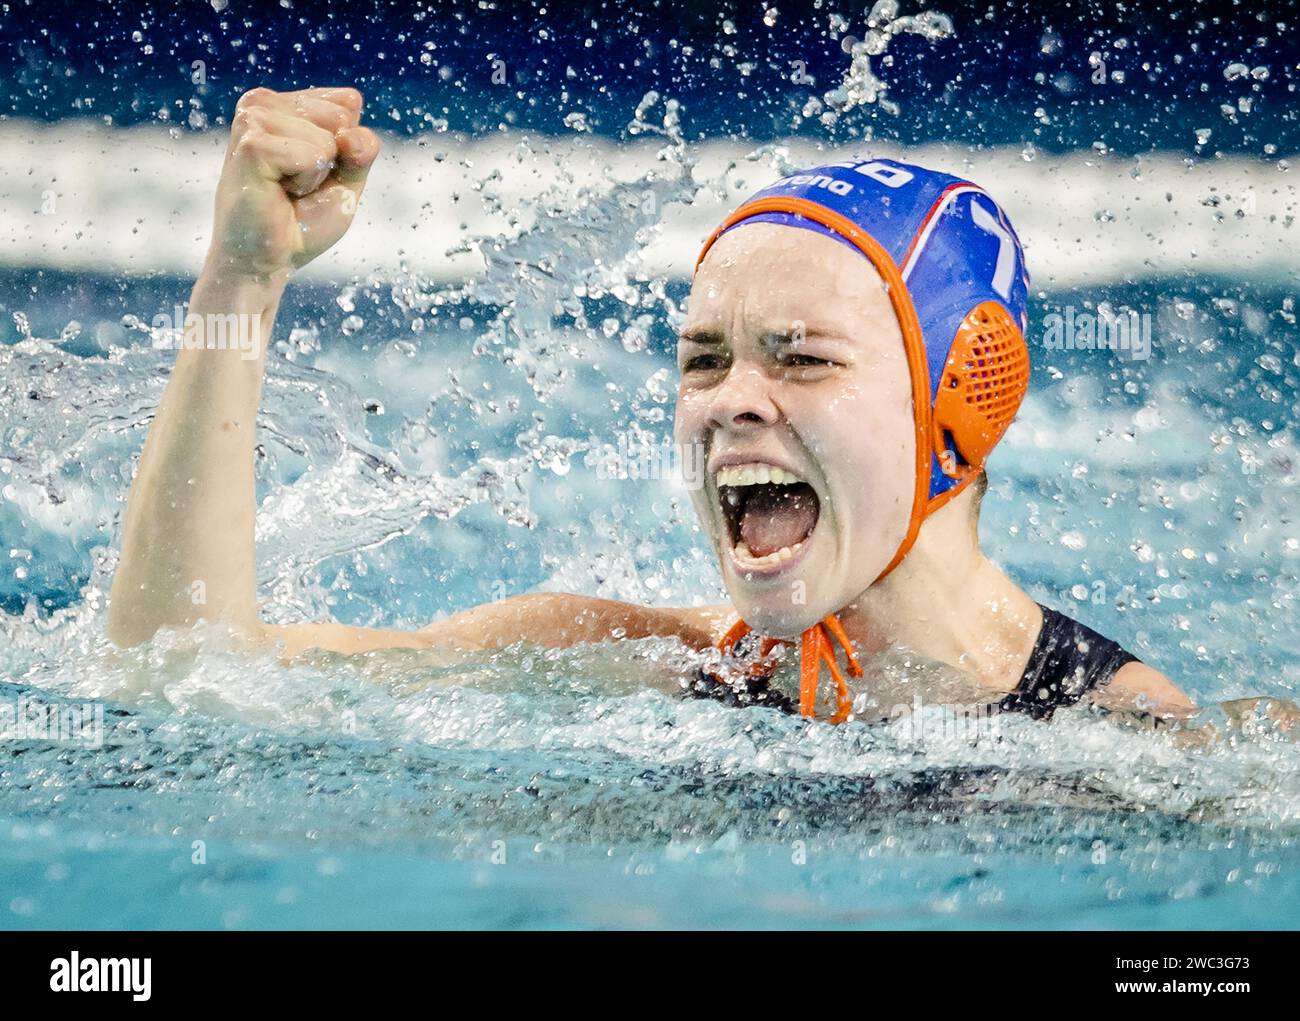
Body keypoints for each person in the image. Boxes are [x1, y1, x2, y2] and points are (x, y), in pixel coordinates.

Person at [105, 86, 1247, 731]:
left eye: (800, 360)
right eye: (701, 361)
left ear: (963, 401)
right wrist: (240, 285)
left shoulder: (1119, 734)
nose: (731, 404)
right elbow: (180, 667)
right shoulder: (629, 658)